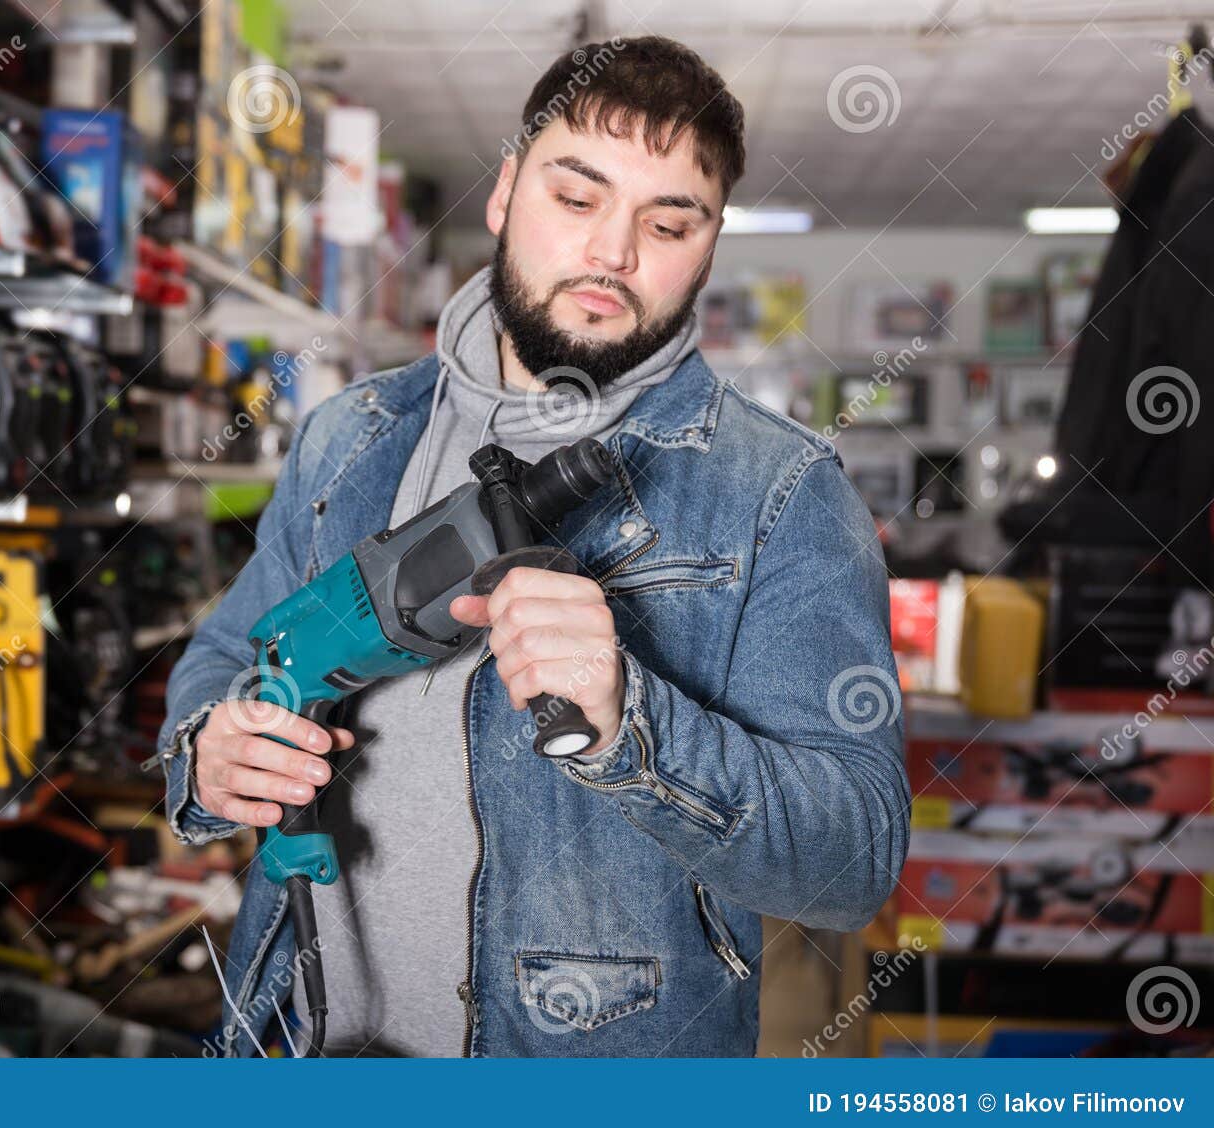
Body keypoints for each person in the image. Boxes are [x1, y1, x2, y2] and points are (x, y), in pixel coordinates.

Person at [156, 35, 908, 1057]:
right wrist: (208, 753)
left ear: (710, 245)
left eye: (668, 220)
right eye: (577, 196)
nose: (613, 252)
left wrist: (624, 721)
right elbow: (229, 652)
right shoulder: (351, 435)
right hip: (294, 1041)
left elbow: (852, 861)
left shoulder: (779, 491)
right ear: (507, 191)